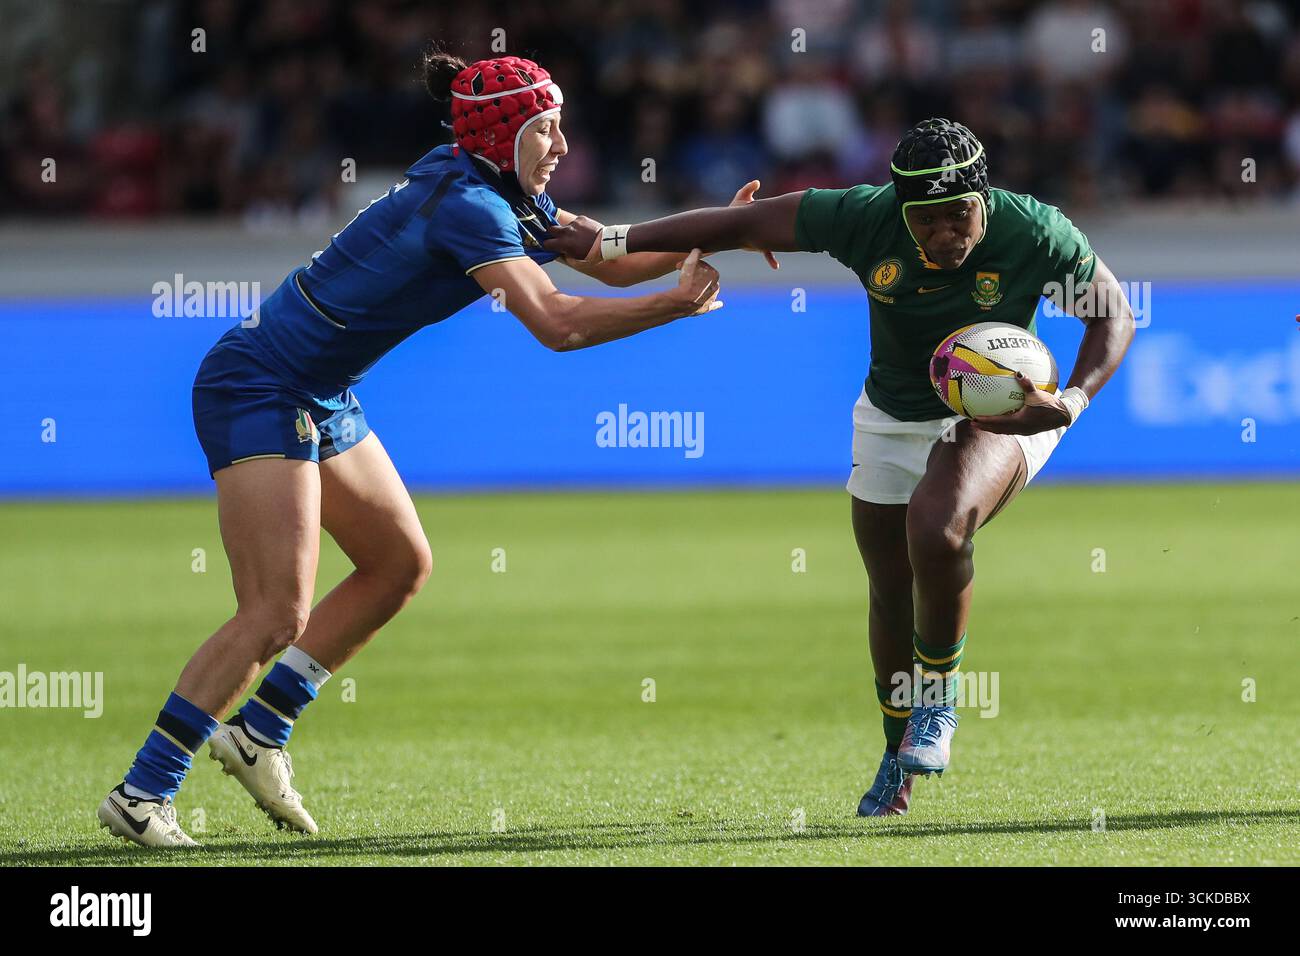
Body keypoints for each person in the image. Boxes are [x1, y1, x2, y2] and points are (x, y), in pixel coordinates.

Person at [96, 51, 726, 847]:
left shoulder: (492, 180)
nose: (563, 143)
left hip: (316, 389)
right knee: (275, 613)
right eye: (546, 128)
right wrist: (672, 305)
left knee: (399, 564)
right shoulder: (474, 206)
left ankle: (257, 734)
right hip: (259, 387)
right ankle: (141, 793)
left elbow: (604, 252)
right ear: (504, 137)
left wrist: (721, 230)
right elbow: (559, 325)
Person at [544, 118, 1135, 816]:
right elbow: (741, 222)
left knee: (938, 529)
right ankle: (896, 755)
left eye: (960, 215)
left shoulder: (1033, 230)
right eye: (928, 221)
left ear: (985, 197)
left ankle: (937, 704)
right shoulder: (863, 217)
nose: (947, 233)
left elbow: (1113, 314)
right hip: (890, 415)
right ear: (898, 208)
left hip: (1003, 413)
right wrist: (610, 239)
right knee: (890, 591)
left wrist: (1070, 401)